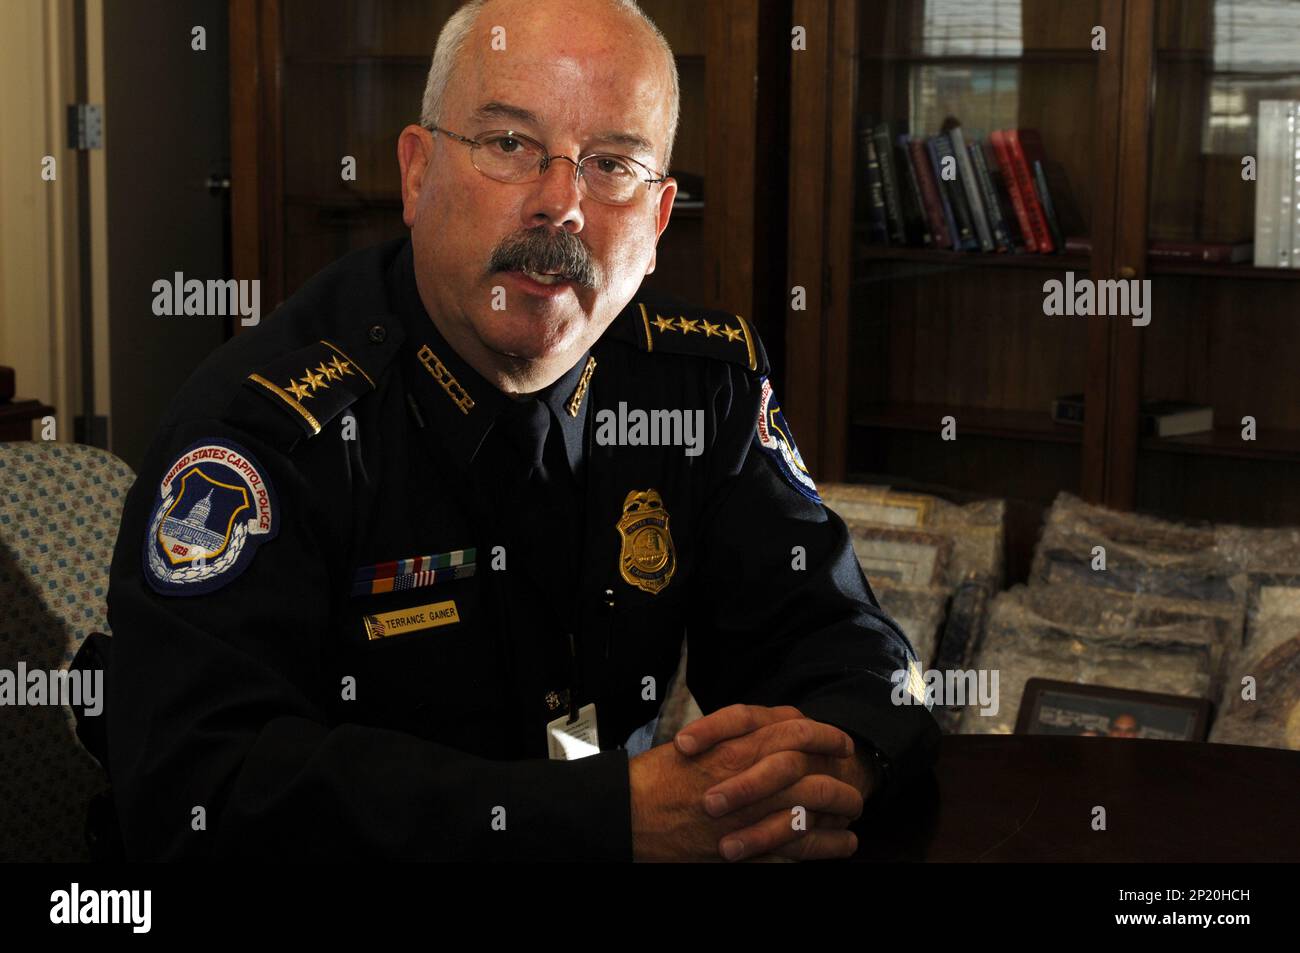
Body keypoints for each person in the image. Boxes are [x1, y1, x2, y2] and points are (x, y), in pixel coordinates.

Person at [84, 0, 939, 861]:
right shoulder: (268, 427)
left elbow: (842, 646)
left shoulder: (696, 387)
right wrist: (603, 817)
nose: (559, 205)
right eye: (509, 147)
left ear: (659, 223)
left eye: (612, 164)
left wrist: (837, 761)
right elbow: (197, 786)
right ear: (417, 174)